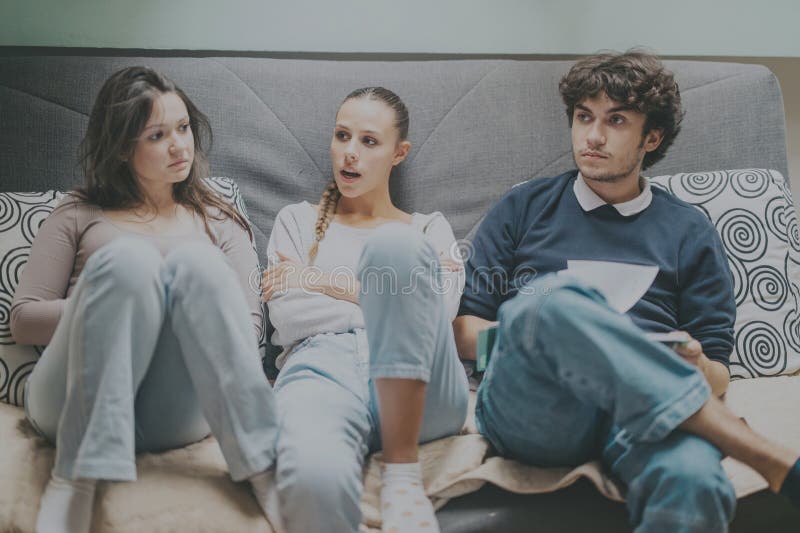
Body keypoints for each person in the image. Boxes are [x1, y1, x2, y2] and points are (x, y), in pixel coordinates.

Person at [453, 50, 800, 532]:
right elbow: (464, 327)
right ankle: (764, 454)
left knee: (695, 479)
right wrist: (540, 336)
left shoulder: (688, 230)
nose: (592, 136)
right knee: (549, 301)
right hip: (537, 404)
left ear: (650, 137)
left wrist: (696, 365)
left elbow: (717, 368)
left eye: (615, 120)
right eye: (583, 117)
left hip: (642, 421)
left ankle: (674, 407)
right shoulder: (523, 206)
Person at [11, 66, 280, 533]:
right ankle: (76, 477)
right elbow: (24, 319)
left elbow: (247, 327)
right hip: (73, 400)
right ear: (121, 146)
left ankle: (262, 467)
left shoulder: (219, 219)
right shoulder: (77, 212)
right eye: (158, 135)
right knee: (129, 264)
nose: (180, 145)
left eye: (183, 128)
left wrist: (168, 302)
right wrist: (114, 303)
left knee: (196, 267)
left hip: (174, 411)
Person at [261, 86, 469, 533]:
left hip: (422, 378)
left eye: (369, 141)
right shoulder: (295, 221)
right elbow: (289, 317)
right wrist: (390, 303)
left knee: (397, 248)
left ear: (399, 153)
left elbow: (439, 309)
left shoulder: (429, 230)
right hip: (321, 368)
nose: (349, 154)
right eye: (341, 136)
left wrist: (321, 281)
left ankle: (402, 472)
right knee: (313, 478)